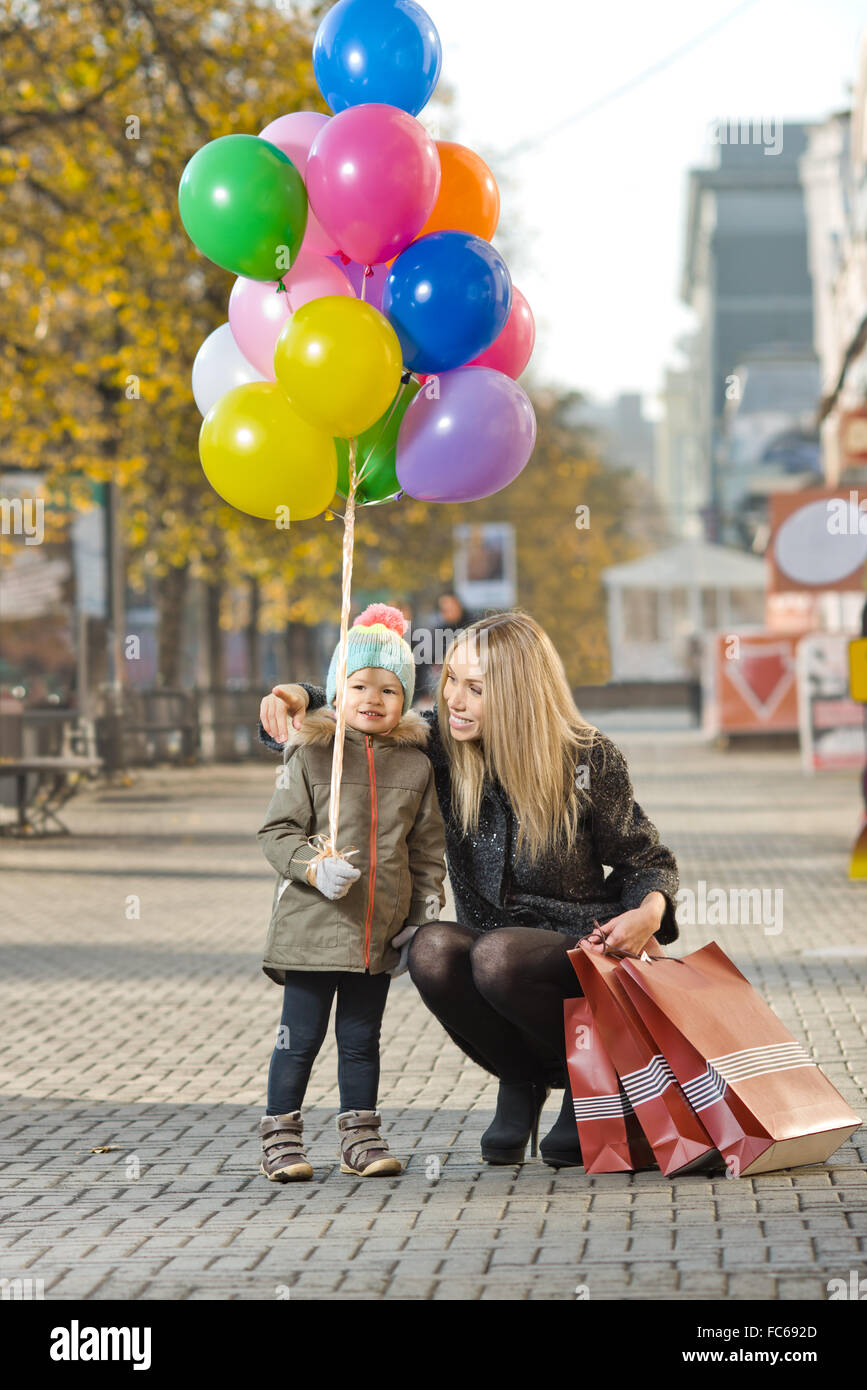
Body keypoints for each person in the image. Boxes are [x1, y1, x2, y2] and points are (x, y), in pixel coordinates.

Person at [259, 609, 679, 1170]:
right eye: (450, 679)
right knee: (431, 946)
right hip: (490, 949)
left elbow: (644, 859)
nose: (453, 700)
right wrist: (303, 696)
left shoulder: (587, 757)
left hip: (579, 952)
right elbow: (366, 710)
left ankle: (592, 1077)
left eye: (475, 689)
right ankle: (521, 1076)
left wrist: (649, 912)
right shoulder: (440, 742)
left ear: (517, 694)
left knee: (498, 954)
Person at [256, 604, 446, 1182]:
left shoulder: (416, 766)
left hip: (376, 933)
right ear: (337, 692)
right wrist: (312, 867)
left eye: (389, 689)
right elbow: (276, 832)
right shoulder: (312, 753)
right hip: (311, 932)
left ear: (405, 699)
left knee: (362, 1039)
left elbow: (426, 852)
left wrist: (422, 918)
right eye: (359, 685)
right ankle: (280, 1137)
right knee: (299, 1038)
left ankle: (360, 1137)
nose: (373, 698)